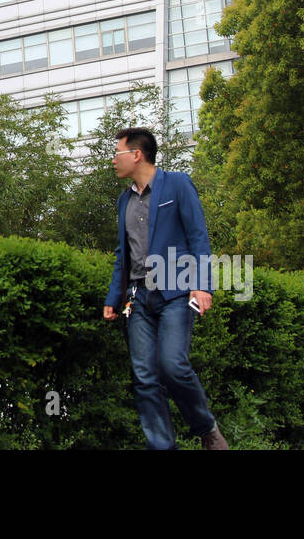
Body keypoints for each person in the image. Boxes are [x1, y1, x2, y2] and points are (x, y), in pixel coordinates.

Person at [103, 127, 228, 450]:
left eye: (117, 154)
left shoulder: (177, 184)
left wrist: (202, 286)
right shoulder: (124, 200)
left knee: (172, 365)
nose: (113, 160)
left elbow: (198, 236)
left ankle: (206, 429)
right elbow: (124, 253)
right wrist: (113, 297)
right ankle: (162, 447)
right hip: (138, 298)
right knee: (145, 377)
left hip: (176, 291)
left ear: (136, 154)